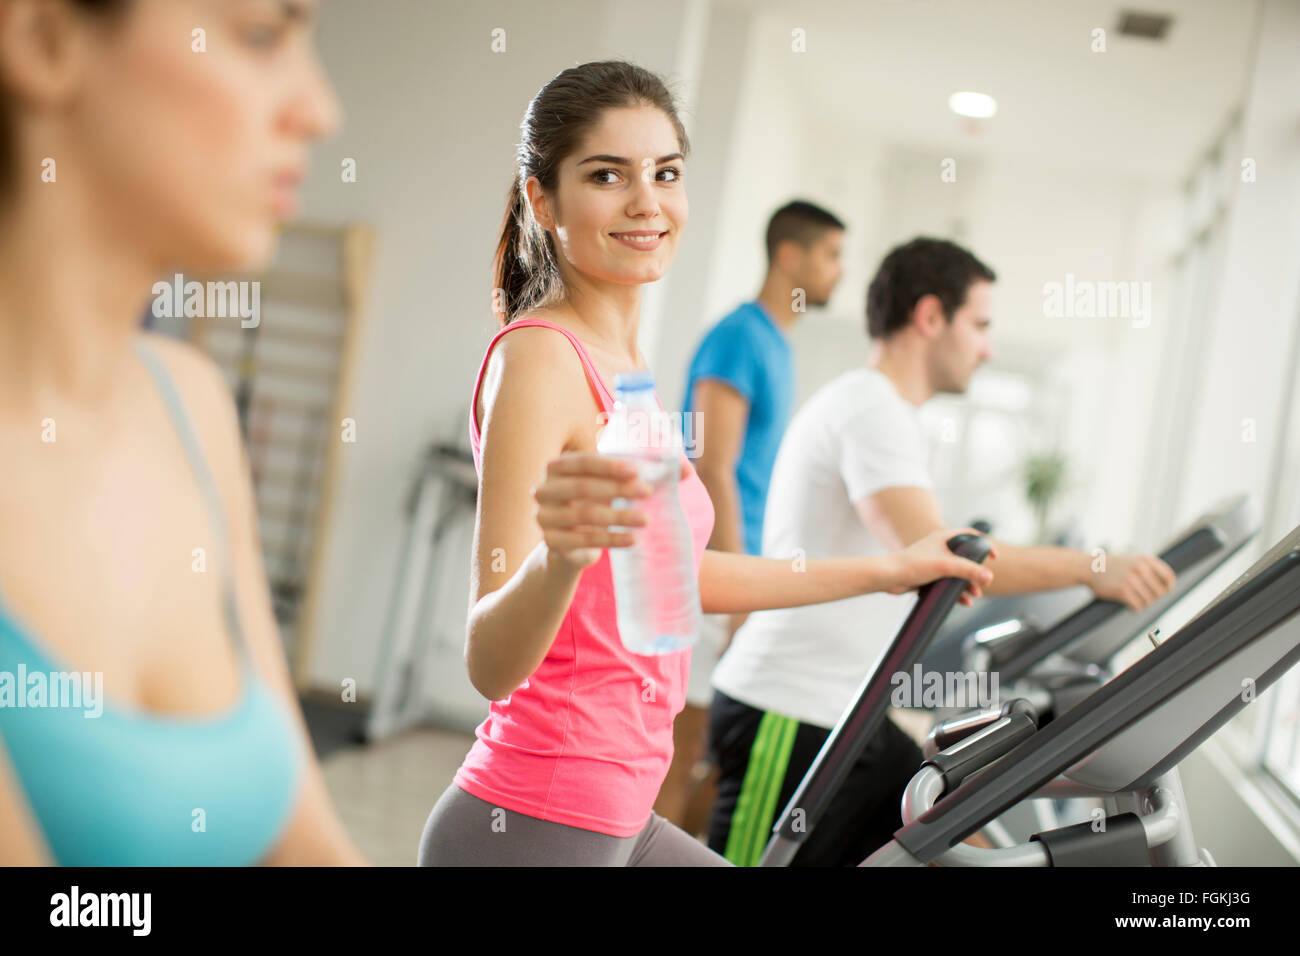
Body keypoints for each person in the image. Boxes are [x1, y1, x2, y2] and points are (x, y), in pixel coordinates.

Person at [416, 62, 994, 867]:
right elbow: (488, 662)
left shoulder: (626, 369)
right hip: (539, 816)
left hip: (623, 814)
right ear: (542, 199)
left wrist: (892, 568)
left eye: (666, 173)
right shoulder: (542, 361)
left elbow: (682, 578)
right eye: (607, 175)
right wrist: (560, 557)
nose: (646, 201)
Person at [0, 0, 366, 865]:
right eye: (262, 36)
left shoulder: (191, 406)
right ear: (44, 38)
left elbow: (302, 838)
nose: (319, 108)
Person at [707, 236, 1177, 866]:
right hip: (790, 714)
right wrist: (1095, 569)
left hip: (850, 719)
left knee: (969, 849)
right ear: (930, 317)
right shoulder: (869, 408)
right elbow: (947, 557)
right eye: (979, 324)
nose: (987, 346)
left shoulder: (888, 413)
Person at [656, 201, 845, 832]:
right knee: (682, 752)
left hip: (740, 566)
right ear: (790, 255)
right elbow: (712, 463)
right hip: (709, 567)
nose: (839, 272)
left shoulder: (777, 343)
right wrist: (740, 588)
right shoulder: (739, 335)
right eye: (831, 255)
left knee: (713, 751)